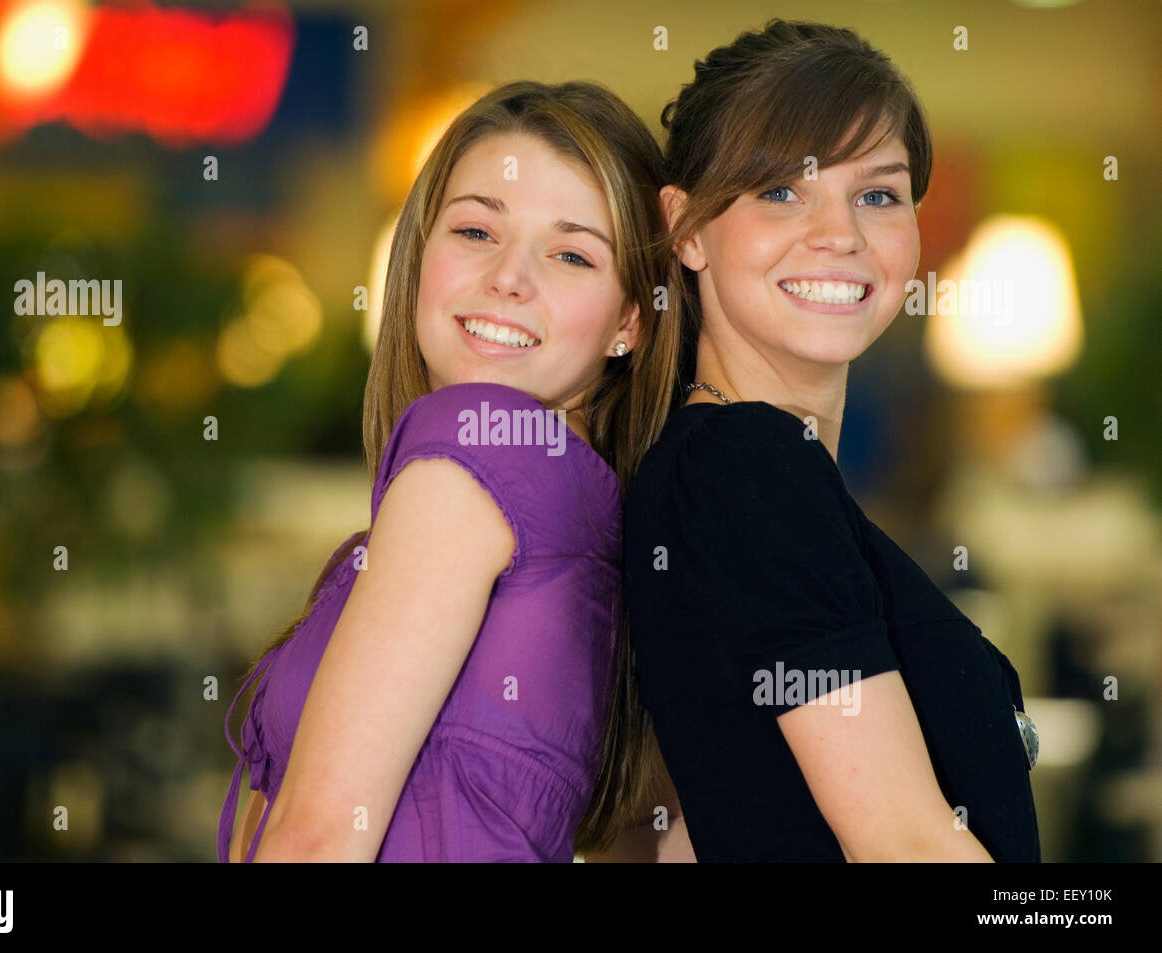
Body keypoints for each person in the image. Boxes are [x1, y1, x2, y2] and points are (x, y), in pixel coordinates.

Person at [217, 79, 687, 862]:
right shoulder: (594, 514)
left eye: (571, 253)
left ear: (629, 322)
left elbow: (319, 836)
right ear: (418, 254)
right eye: (476, 231)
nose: (510, 276)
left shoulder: (475, 446)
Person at [624, 20, 1041, 862]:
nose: (840, 233)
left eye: (878, 194)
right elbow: (908, 845)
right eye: (782, 190)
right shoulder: (748, 468)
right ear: (688, 228)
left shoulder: (724, 469)